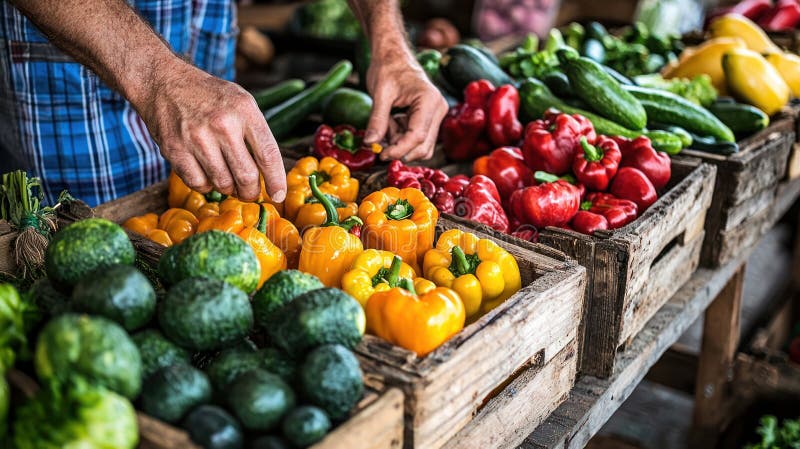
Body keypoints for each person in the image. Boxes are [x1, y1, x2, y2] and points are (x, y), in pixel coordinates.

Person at [0, 0, 447, 206]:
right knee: (91, 253)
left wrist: (390, 44)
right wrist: (158, 77)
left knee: (211, 189)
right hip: (79, 39)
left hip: (199, 14)